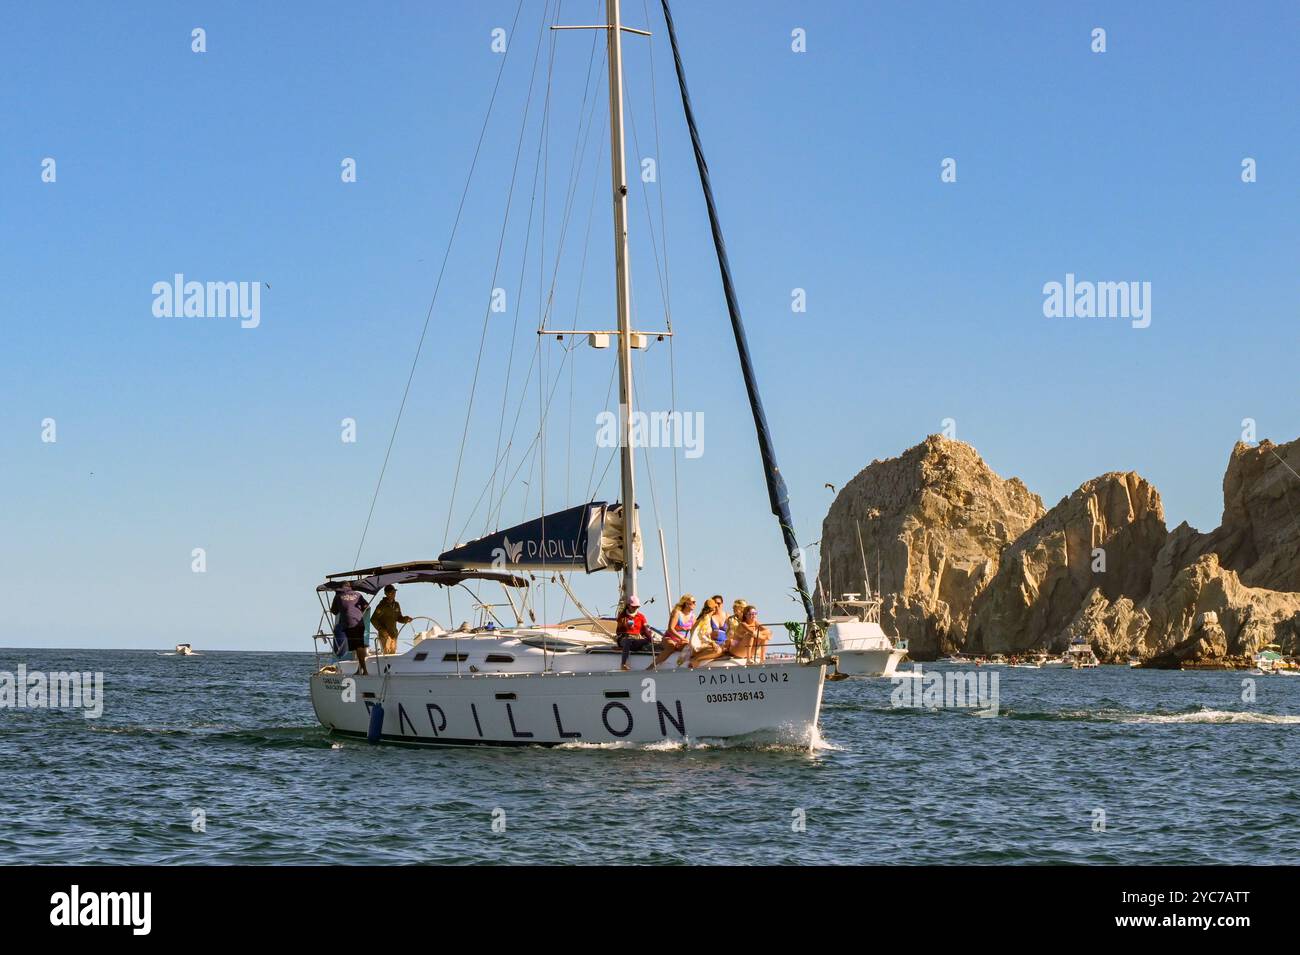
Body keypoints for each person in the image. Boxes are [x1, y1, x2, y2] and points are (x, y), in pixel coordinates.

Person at [330, 581, 370, 675]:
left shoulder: (338, 596)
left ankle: (365, 671)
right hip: (360, 623)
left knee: (358, 647)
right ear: (350, 587)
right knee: (358, 647)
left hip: (349, 624)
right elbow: (366, 606)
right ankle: (359, 670)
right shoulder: (357, 594)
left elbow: (334, 611)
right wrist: (358, 612)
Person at [649, 594, 696, 669]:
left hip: (681, 641)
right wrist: (681, 637)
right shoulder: (677, 613)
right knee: (671, 647)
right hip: (669, 638)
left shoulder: (693, 616)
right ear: (686, 603)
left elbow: (694, 631)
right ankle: (651, 667)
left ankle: (688, 666)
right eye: (693, 602)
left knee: (691, 648)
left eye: (695, 602)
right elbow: (670, 629)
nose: (695, 604)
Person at [370, 584, 412, 656]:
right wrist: (381, 629)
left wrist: (405, 619)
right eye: (391, 592)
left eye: (394, 592)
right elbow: (373, 619)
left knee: (392, 656)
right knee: (387, 656)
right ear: (386, 593)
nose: (393, 594)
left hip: (394, 635)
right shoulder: (381, 605)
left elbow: (399, 618)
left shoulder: (396, 604)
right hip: (385, 636)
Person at [616, 595, 651, 671]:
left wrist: (650, 638)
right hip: (624, 638)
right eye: (633, 606)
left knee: (647, 641)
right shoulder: (622, 616)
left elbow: (645, 630)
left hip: (635, 639)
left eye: (637, 607)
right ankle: (623, 664)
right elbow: (618, 631)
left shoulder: (641, 616)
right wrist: (626, 626)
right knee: (627, 641)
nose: (635, 608)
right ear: (628, 605)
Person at [687, 597, 724, 668]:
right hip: (698, 646)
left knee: (721, 648)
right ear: (713, 609)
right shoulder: (705, 619)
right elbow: (702, 635)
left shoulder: (704, 618)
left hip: (700, 644)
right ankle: (696, 659)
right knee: (718, 650)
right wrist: (712, 643)